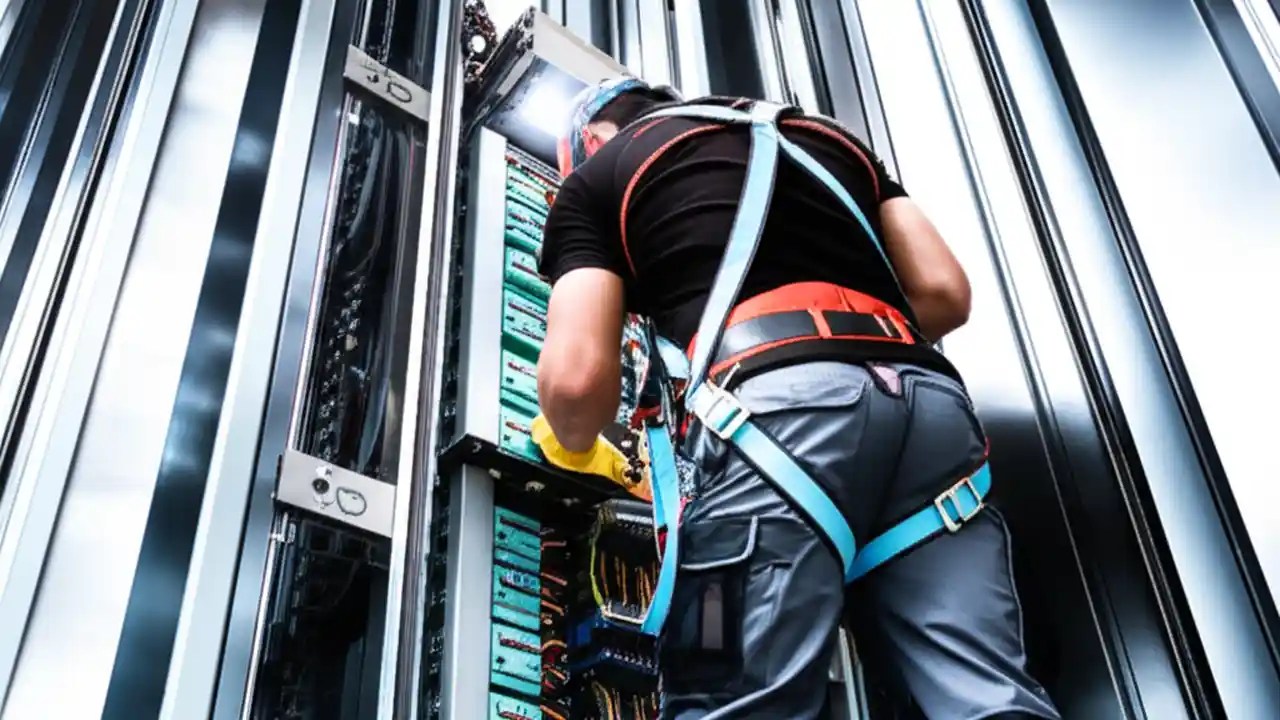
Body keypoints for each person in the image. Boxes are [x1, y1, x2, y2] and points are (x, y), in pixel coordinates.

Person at [534, 76, 1061, 720]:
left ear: (593, 138)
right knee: (984, 696)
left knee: (727, 692)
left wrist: (574, 436)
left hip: (773, 430)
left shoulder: (599, 176)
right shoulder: (829, 138)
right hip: (934, 428)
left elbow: (575, 384)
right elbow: (945, 294)